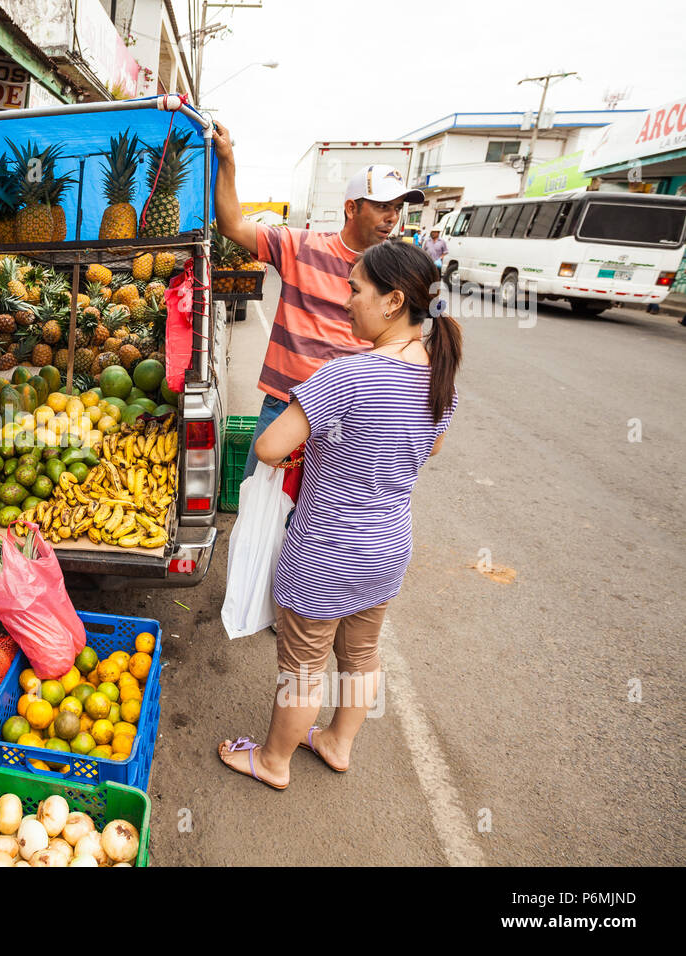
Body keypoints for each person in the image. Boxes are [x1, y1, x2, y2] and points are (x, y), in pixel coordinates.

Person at [218, 242, 461, 789]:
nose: (346, 301)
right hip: (387, 549)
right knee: (361, 654)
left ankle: (274, 760)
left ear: (394, 300)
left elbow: (269, 447)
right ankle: (336, 742)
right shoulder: (438, 375)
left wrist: (328, 435)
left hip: (325, 553)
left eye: (355, 290)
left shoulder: (347, 376)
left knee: (302, 666)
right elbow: (433, 447)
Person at [213, 122, 425, 482]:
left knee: (323, 515)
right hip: (285, 405)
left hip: (351, 417)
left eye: (398, 208)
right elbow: (232, 226)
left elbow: (406, 347)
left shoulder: (398, 272)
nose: (393, 217)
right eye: (382, 206)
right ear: (351, 208)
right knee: (259, 509)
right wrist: (228, 161)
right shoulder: (301, 246)